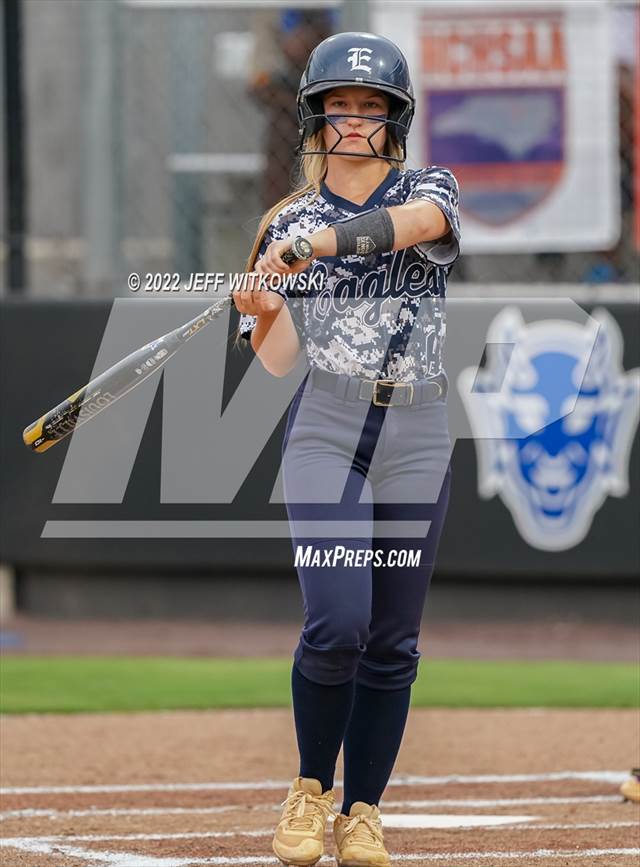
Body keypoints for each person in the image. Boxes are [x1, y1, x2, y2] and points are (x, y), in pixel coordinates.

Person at [233, 31, 460, 867]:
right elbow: (279, 361)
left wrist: (320, 246)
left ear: (395, 119)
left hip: (417, 430)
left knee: (394, 640)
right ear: (315, 117)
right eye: (340, 106)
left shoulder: (429, 186)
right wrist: (261, 305)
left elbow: (418, 227)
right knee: (338, 623)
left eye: (372, 108)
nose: (355, 120)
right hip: (329, 427)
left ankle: (363, 810)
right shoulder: (283, 219)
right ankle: (307, 789)